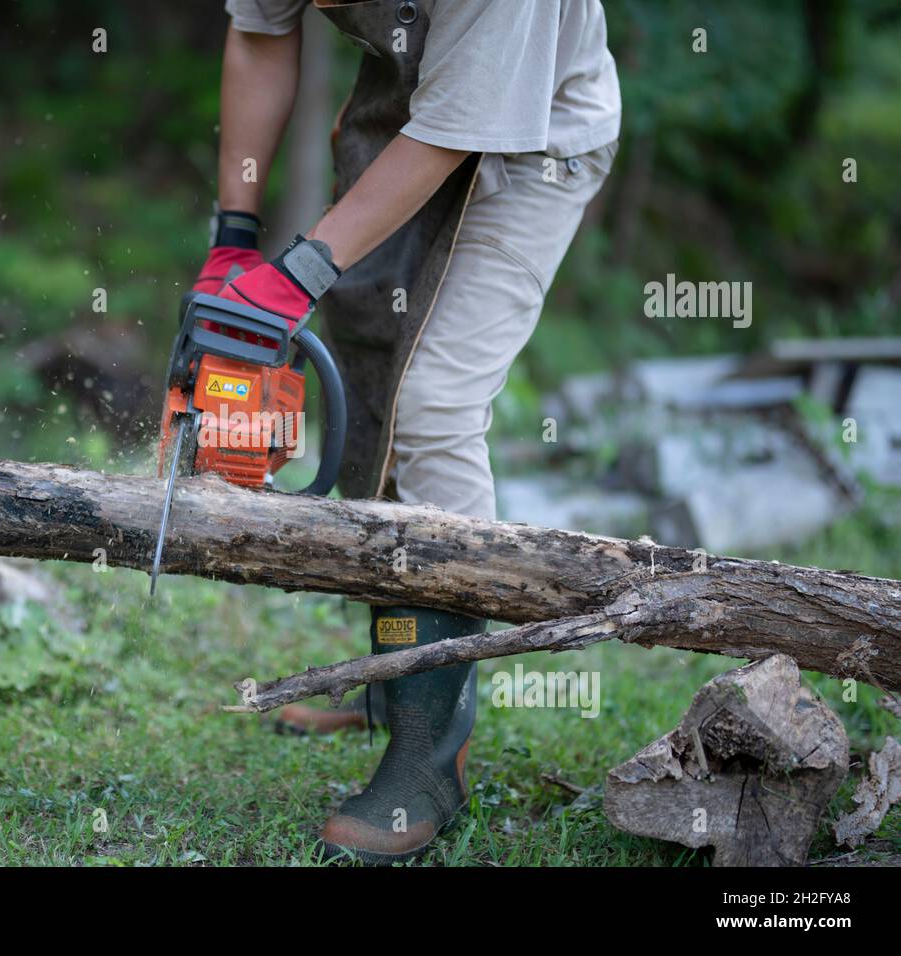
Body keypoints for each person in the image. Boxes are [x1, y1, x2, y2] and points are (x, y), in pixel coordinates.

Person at [194, 0, 621, 864]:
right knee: (367, 384)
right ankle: (402, 681)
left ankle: (431, 754)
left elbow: (460, 127)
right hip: (406, 111)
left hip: (535, 139)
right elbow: (261, 32)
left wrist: (304, 269)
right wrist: (235, 237)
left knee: (432, 407)